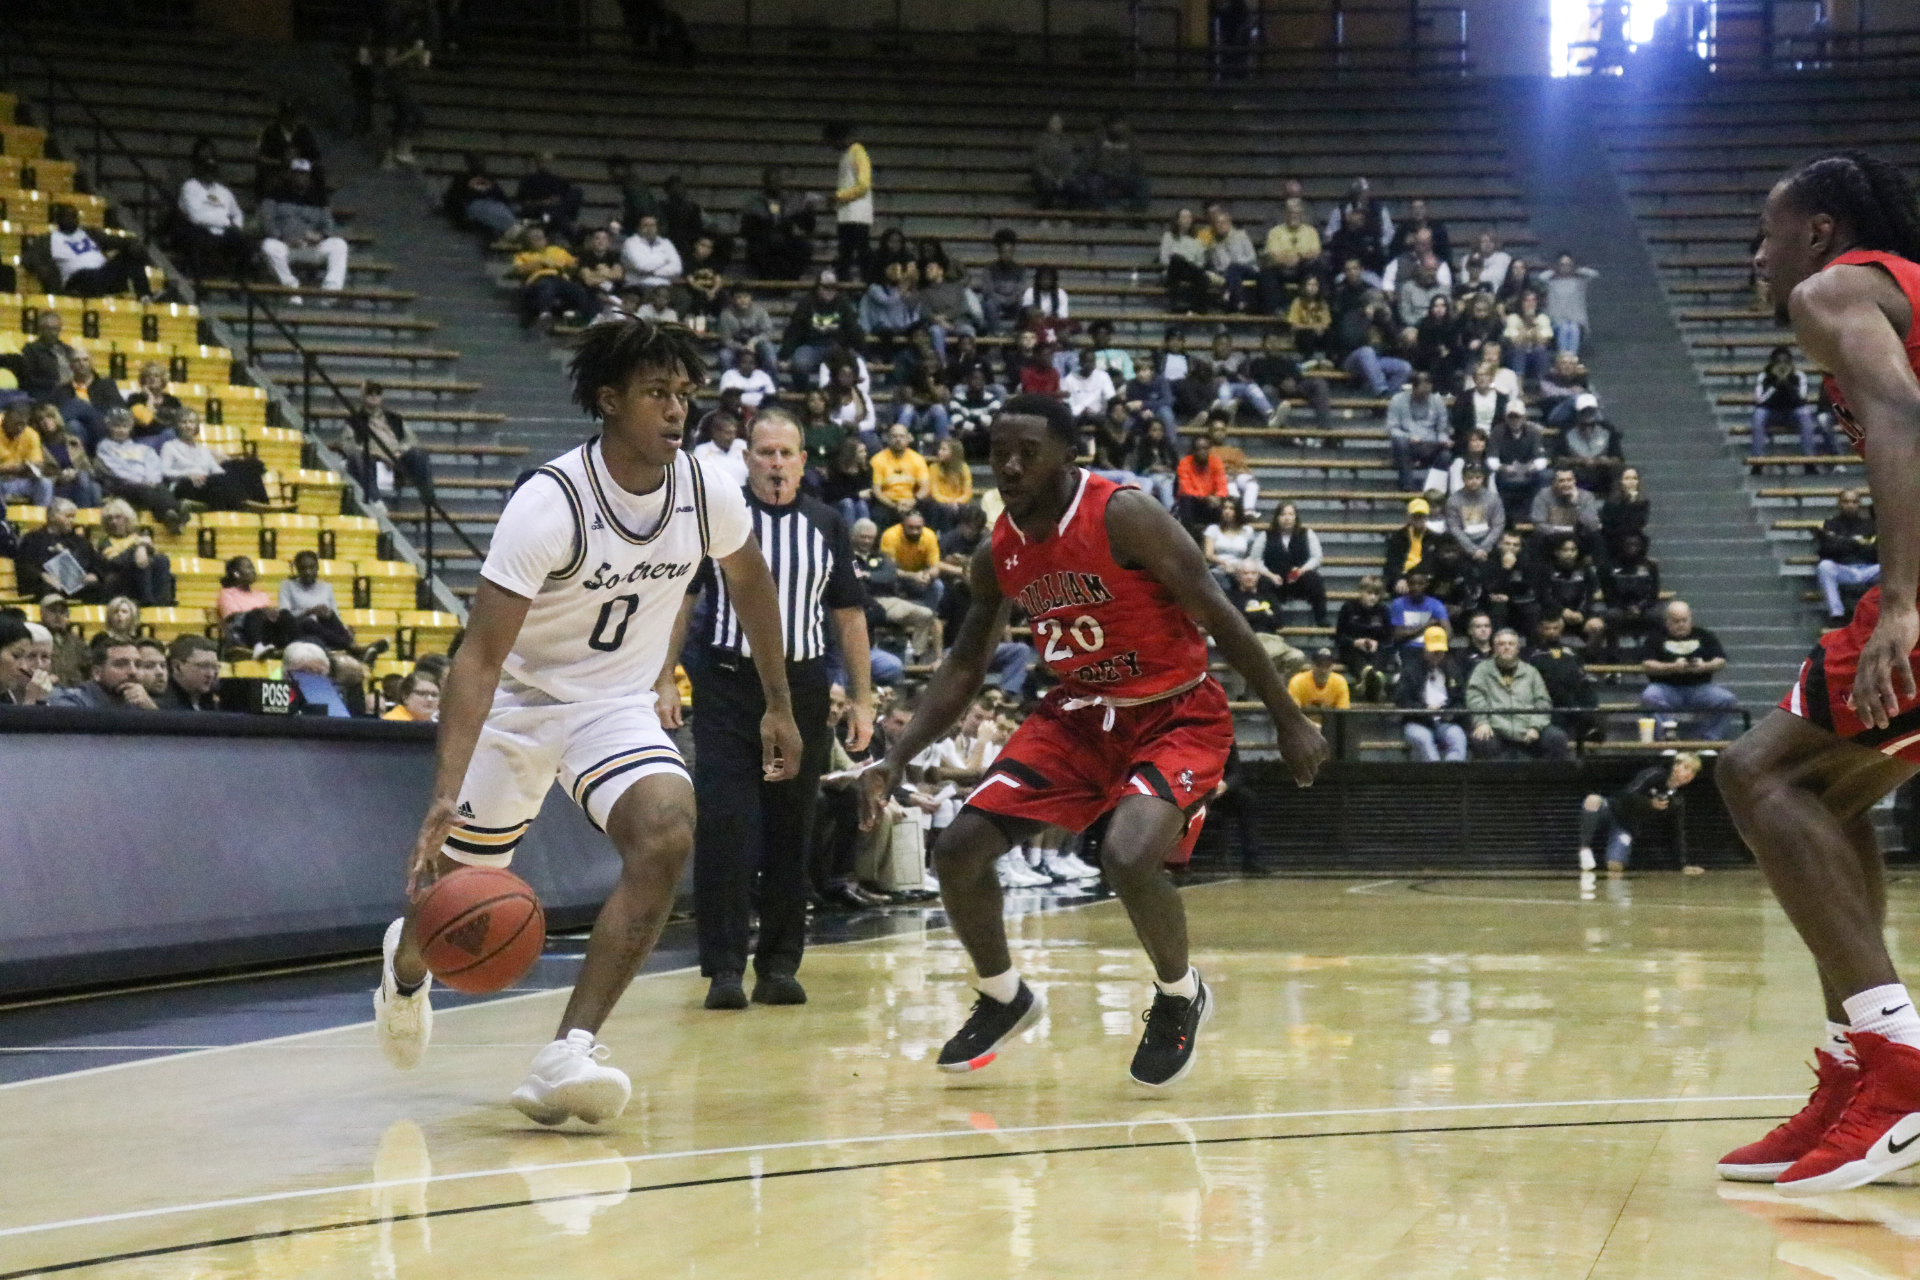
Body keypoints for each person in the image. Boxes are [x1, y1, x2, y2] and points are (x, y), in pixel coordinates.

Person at [378, 318, 803, 1125]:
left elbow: (751, 583)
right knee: (454, 901)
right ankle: (404, 966)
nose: (676, 411)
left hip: (613, 708)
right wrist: (444, 788)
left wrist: (778, 701)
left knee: (670, 828)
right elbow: (478, 659)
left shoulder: (705, 488)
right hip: (522, 705)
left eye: (684, 394)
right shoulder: (550, 503)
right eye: (656, 394)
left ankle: (567, 1051)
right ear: (609, 401)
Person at [857, 394, 1328, 1088]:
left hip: (1176, 712)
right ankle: (1003, 995)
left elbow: (1215, 608)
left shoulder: (1123, 515)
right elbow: (964, 664)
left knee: (1129, 856)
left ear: (1068, 454)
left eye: (1028, 453)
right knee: (958, 850)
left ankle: (1178, 994)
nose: (1011, 466)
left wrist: (1287, 716)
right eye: (999, 453)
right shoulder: (998, 553)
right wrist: (895, 757)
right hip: (1078, 714)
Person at [670, 410, 875, 1008]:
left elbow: (848, 613)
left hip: (804, 684)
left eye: (786, 453)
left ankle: (780, 963)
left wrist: (861, 697)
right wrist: (662, 677)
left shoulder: (827, 523)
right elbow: (684, 597)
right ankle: (725, 969)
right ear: (749, 458)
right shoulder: (721, 516)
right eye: (765, 453)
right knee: (727, 826)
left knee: (794, 826)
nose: (776, 463)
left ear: (803, 461)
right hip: (728, 685)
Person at [1579, 753, 1701, 876]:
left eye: (1693, 772)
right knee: (1592, 800)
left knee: (1615, 865)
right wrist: (1649, 803)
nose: (1688, 774)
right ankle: (1585, 848)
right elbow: (1628, 795)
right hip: (1612, 809)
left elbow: (1677, 832)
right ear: (1676, 766)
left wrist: (1682, 865)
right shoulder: (1654, 774)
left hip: (1626, 826)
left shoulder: (1677, 801)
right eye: (1686, 768)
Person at [1465, 628, 1570, 760]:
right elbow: (1475, 697)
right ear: (1494, 648)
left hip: (1528, 727)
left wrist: (1535, 726)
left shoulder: (1531, 672)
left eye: (1510, 644)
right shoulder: (1482, 670)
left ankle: (1548, 780)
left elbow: (1543, 702)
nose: (1506, 647)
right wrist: (1482, 722)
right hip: (1497, 728)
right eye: (1501, 644)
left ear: (1517, 648)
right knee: (1481, 739)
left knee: (1557, 737)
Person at [258, 161, 349, 301]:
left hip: (311, 246)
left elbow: (328, 225)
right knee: (268, 245)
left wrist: (319, 236)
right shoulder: (275, 194)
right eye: (297, 173)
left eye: (304, 174)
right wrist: (283, 238)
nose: (300, 177)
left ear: (309, 176)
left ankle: (330, 293)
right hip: (285, 246)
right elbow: (266, 221)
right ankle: (291, 289)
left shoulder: (319, 197)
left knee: (339, 244)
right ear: (290, 174)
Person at [95, 410, 186, 534]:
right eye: (117, 426)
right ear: (110, 427)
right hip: (120, 484)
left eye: (125, 426)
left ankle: (170, 515)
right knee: (144, 489)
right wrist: (140, 481)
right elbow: (115, 468)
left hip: (145, 485)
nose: (121, 430)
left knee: (160, 487)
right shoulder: (105, 446)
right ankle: (175, 512)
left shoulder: (143, 448)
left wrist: (150, 481)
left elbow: (153, 467)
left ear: (130, 427)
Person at [343, 382, 434, 504]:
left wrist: (400, 451)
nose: (374, 396)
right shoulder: (354, 421)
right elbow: (349, 446)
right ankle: (375, 501)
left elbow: (411, 440)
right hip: (372, 459)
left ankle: (428, 496)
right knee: (359, 458)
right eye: (370, 393)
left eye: (378, 393)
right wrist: (378, 454)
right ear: (363, 397)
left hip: (397, 458)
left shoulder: (394, 418)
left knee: (419, 453)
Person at [161, 410, 270, 511]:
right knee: (220, 481)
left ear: (196, 426)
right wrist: (189, 474)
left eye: (191, 422)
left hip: (207, 481)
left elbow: (217, 471)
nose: (188, 426)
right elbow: (165, 472)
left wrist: (233, 471)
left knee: (249, 466)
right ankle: (242, 503)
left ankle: (263, 504)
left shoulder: (202, 450)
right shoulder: (169, 446)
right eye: (183, 422)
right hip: (184, 485)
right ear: (177, 425)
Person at [47, 202, 154, 299]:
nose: (72, 219)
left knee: (131, 254)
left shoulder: (88, 232)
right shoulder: (49, 239)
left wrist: (131, 243)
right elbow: (36, 261)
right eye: (68, 216)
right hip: (77, 279)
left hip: (101, 274)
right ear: (58, 219)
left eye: (74, 216)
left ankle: (145, 297)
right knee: (86, 273)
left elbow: (113, 241)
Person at [1396, 625, 1468, 761]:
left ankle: (1453, 776)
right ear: (1424, 648)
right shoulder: (1410, 670)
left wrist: (1449, 712)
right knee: (1424, 740)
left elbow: (1460, 699)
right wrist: (1424, 709)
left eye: (1440, 651)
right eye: (1433, 650)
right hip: (1417, 722)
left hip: (1444, 721)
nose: (1437, 654)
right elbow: (1402, 700)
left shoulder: (1453, 669)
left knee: (1458, 736)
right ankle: (1436, 777)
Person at [1815, 488, 1880, 624]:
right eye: (1846, 501)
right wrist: (1857, 542)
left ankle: (1882, 614)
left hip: (1869, 570)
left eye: (1854, 502)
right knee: (1824, 566)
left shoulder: (1870, 525)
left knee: (1890, 567)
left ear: (1859, 504)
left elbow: (1874, 552)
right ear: (1839, 503)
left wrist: (1841, 541)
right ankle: (1837, 614)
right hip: (1844, 570)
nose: (1850, 505)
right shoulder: (1830, 524)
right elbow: (1827, 550)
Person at [1261, 503, 1328, 626]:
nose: (1287, 518)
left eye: (1291, 514)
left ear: (1296, 517)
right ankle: (1274, 620)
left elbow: (1316, 557)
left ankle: (1321, 618)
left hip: (1299, 579)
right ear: (1277, 517)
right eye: (1283, 514)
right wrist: (1270, 575)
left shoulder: (1307, 533)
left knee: (1315, 578)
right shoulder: (1265, 535)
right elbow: (1256, 560)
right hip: (1275, 580)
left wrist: (1301, 570)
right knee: (1263, 583)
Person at [47, 636, 156, 710]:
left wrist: (151, 710)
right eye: (121, 664)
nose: (133, 671)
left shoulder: (142, 704)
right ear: (97, 673)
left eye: (137, 664)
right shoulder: (72, 701)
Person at [1386, 371, 1450, 491]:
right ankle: (1407, 486)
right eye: (1422, 392)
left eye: (1428, 392)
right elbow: (1391, 428)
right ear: (1413, 388)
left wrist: (1443, 440)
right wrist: (1408, 436)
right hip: (1408, 444)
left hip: (1431, 444)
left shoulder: (1437, 400)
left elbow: (1442, 429)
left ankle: (1436, 489)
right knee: (1400, 442)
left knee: (1446, 454)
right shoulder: (1398, 400)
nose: (1425, 395)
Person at [825, 121, 873, 281]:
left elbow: (863, 185)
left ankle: (865, 284)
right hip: (847, 214)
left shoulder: (858, 153)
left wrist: (839, 197)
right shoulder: (847, 155)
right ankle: (847, 286)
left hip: (857, 215)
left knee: (859, 254)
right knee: (845, 255)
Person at [1335, 575, 1393, 699]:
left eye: (1376, 594)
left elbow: (1389, 639)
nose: (1373, 597)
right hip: (1353, 650)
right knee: (1353, 655)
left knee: (1384, 653)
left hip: (1376, 651)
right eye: (1369, 593)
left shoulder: (1383, 610)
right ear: (1361, 592)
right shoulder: (1348, 608)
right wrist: (1354, 642)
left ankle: (1371, 676)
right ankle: (1370, 675)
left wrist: (1377, 644)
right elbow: (1339, 637)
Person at [1542, 252, 1600, 356]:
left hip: (1577, 324)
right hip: (1556, 324)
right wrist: (1554, 270)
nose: (1565, 267)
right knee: (1565, 328)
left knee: (1572, 328)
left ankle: (1570, 360)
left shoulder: (1580, 282)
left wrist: (1577, 269)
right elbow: (1541, 277)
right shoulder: (1551, 283)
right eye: (1562, 264)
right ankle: (1564, 359)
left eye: (1568, 264)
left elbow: (1594, 274)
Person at [0, 401, 53, 508]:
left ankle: (38, 521)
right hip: (1, 480)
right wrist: (10, 469)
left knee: (45, 483)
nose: (19, 428)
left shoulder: (31, 434)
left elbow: (36, 463)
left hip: (19, 479)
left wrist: (32, 468)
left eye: (23, 425)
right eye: (16, 424)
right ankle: (3, 521)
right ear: (5, 419)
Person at [1285, 647, 1349, 727]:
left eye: (1327, 665)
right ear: (1311, 665)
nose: (1323, 670)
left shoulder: (1340, 682)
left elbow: (1343, 714)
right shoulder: (1297, 681)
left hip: (1330, 729)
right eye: (1319, 665)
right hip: (1303, 728)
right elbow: (1294, 715)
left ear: (1332, 666)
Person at [159, 635, 222, 711]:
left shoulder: (213, 699)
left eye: (215, 667)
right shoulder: (162, 704)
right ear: (177, 667)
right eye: (204, 666)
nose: (211, 674)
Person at [1031, 113, 1077, 210]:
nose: (1057, 125)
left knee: (1073, 184)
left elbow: (1071, 162)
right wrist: (1053, 178)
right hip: (1045, 175)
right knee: (1046, 184)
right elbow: (1038, 163)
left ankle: (1068, 217)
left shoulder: (1067, 141)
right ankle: (1045, 216)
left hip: (1063, 175)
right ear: (1048, 124)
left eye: (1059, 122)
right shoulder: (1041, 141)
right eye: (1054, 122)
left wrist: (1062, 177)